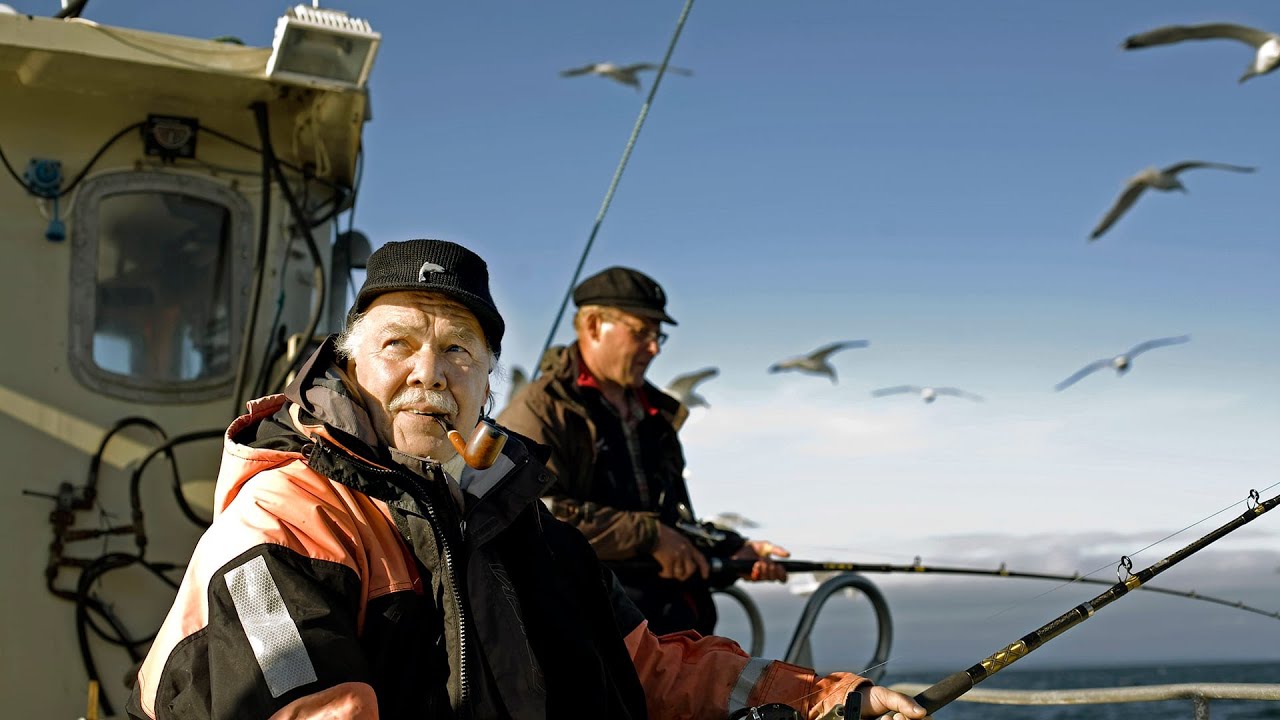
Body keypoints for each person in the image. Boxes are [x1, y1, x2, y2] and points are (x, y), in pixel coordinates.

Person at [127, 239, 927, 720]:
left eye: (458, 353)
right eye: (398, 344)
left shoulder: (530, 533)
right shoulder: (284, 526)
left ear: (485, 383)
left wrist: (825, 698)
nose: (428, 375)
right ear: (348, 363)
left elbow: (646, 666)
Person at [499, 266, 788, 636]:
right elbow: (529, 515)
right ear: (592, 326)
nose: (653, 348)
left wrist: (732, 551)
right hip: (602, 646)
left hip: (680, 635)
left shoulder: (655, 414)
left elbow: (671, 520)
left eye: (658, 335)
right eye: (641, 332)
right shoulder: (539, 411)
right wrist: (650, 537)